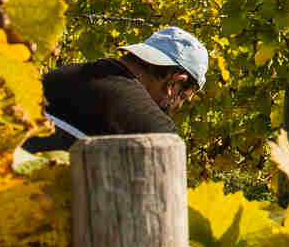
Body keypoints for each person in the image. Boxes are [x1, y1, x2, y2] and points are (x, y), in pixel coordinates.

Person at [21, 26, 208, 154]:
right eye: (182, 97)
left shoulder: (54, 79)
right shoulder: (157, 133)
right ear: (175, 82)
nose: (178, 106)